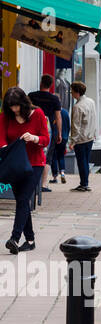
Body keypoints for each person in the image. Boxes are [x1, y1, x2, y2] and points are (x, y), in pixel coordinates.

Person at [2, 87, 50, 255]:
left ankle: (14, 238)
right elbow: (1, 136)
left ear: (23, 103)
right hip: (15, 165)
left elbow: (45, 139)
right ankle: (30, 240)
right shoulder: (6, 116)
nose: (14, 110)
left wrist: (34, 138)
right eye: (10, 107)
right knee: (22, 201)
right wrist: (5, 148)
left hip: (34, 164)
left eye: (16, 106)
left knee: (23, 199)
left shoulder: (37, 114)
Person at [28, 75, 61, 194]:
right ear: (51, 85)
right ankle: (42, 184)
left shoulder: (32, 95)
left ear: (41, 83)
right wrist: (59, 132)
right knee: (48, 155)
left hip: (33, 127)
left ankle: (31, 182)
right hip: (49, 128)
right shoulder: (54, 99)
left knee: (32, 152)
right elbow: (58, 116)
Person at [69, 82, 97, 192]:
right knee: (86, 160)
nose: (71, 93)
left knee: (82, 162)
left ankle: (84, 184)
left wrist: (73, 141)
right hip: (90, 136)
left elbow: (76, 126)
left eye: (72, 91)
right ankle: (85, 182)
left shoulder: (77, 107)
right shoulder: (91, 102)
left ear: (77, 92)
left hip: (81, 139)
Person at [49, 102, 70, 185]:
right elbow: (68, 126)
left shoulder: (54, 113)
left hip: (55, 137)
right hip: (64, 138)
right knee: (61, 156)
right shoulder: (65, 112)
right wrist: (66, 137)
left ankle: (54, 176)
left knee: (53, 156)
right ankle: (62, 173)